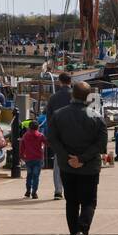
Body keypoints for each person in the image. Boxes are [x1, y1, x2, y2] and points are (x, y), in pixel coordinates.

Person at [46, 81, 108, 235]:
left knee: (71, 202)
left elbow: (52, 139)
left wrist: (67, 157)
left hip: (67, 167)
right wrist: (82, 158)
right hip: (89, 167)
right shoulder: (97, 117)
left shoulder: (58, 115)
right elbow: (101, 145)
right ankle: (82, 232)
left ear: (72, 94)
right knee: (89, 202)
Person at [44, 72, 73, 200]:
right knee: (74, 160)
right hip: (74, 133)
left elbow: (48, 117)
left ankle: (58, 190)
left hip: (59, 134)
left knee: (58, 163)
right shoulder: (75, 96)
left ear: (60, 82)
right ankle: (71, 189)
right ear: (70, 81)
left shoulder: (53, 98)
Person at [20, 118, 47, 199]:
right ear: (38, 127)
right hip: (38, 158)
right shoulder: (40, 135)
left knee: (29, 175)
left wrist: (21, 156)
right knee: (36, 176)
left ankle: (28, 191)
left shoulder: (25, 135)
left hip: (28, 158)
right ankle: (34, 193)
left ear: (29, 127)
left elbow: (22, 147)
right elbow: (47, 143)